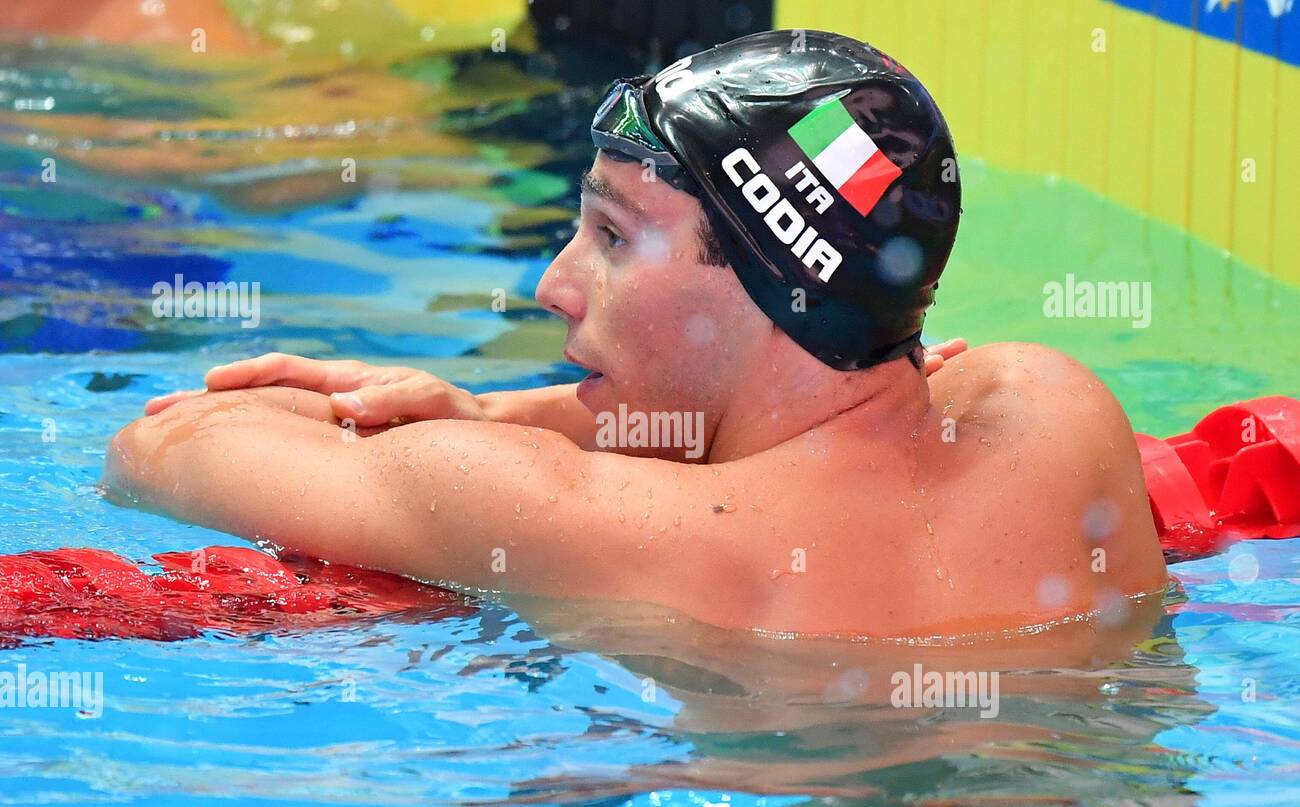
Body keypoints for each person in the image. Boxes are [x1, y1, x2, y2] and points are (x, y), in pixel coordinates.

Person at [105, 30, 1167, 636]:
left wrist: (485, 433)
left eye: (613, 235)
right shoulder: (1050, 408)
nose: (552, 283)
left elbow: (156, 447)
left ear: (771, 286)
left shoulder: (602, 521)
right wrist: (490, 405)